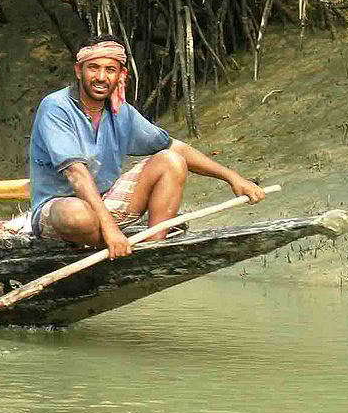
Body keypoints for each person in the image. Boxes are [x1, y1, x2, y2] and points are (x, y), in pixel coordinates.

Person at [29, 34, 265, 258]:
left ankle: (152, 246)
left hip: (104, 204)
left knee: (171, 161)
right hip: (60, 214)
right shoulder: (56, 107)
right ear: (79, 70)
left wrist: (233, 178)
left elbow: (175, 147)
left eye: (110, 70)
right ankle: (114, 245)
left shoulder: (121, 111)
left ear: (121, 74)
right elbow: (76, 174)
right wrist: (110, 230)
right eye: (93, 68)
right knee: (77, 215)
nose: (101, 77)